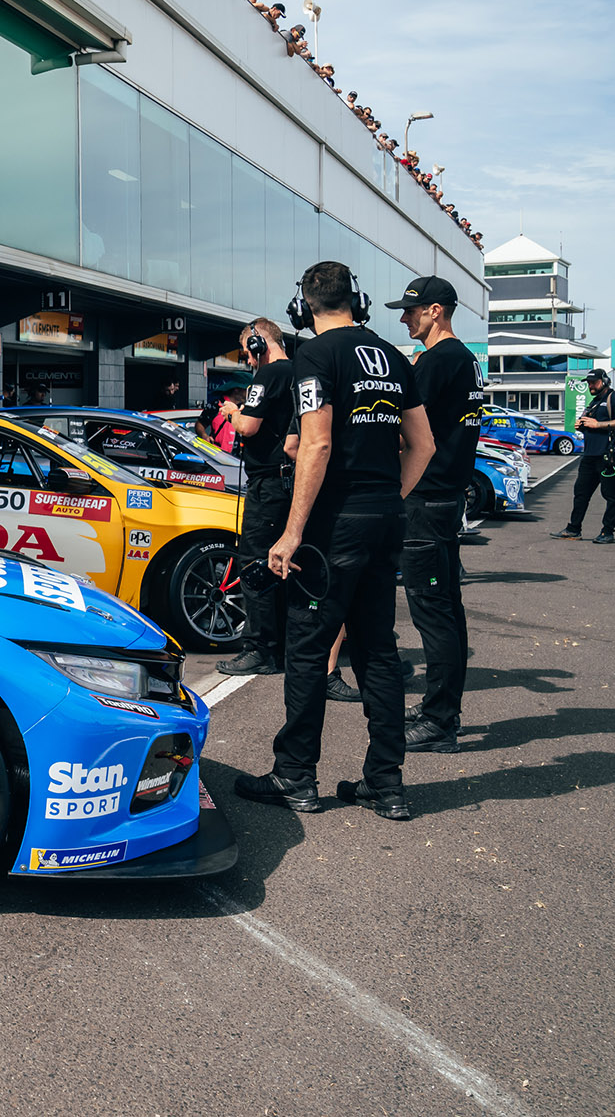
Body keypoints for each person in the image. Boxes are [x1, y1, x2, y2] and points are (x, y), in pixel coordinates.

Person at [236, 261, 434, 822]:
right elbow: (423, 446)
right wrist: (387, 495)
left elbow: (316, 445)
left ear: (302, 307)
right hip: (385, 519)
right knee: (377, 649)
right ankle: (386, 784)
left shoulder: (313, 357)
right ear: (359, 301)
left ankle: (295, 777)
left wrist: (292, 531)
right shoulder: (394, 356)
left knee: (305, 648)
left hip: (333, 528)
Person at [387, 277, 483, 753]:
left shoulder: (438, 361)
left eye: (412, 310)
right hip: (447, 497)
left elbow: (403, 429)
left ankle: (441, 720)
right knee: (448, 610)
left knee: (434, 614)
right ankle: (441, 710)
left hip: (426, 499)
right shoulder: (464, 359)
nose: (405, 318)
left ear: (437, 312)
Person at [222, 318, 296, 678]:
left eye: (247, 353)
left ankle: (259, 649)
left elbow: (248, 426)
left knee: (254, 565)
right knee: (283, 566)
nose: (248, 362)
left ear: (258, 343)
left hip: (268, 485)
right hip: (289, 483)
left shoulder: (268, 375)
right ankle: (280, 646)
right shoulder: (298, 372)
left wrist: (233, 413)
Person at [550, 369, 615, 542]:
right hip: (590, 455)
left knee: (610, 495)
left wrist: (598, 424)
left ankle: (607, 532)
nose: (591, 386)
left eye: (594, 382)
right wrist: (582, 425)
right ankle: (573, 529)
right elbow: (589, 423)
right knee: (581, 493)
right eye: (589, 383)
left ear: (605, 381)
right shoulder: (593, 402)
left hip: (608, 456)